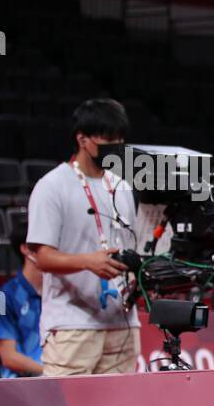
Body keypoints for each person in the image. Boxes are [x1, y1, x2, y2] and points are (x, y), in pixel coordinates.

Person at [25, 99, 140, 376]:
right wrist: (88, 262)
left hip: (121, 325)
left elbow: (131, 247)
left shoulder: (122, 187)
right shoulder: (51, 186)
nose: (115, 147)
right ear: (83, 139)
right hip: (72, 327)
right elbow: (42, 257)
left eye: (120, 140)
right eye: (108, 140)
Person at [0, 240, 44, 377]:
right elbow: (9, 358)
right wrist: (50, 373)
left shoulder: (56, 294)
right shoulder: (1, 298)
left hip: (56, 379)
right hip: (20, 386)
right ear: (26, 249)